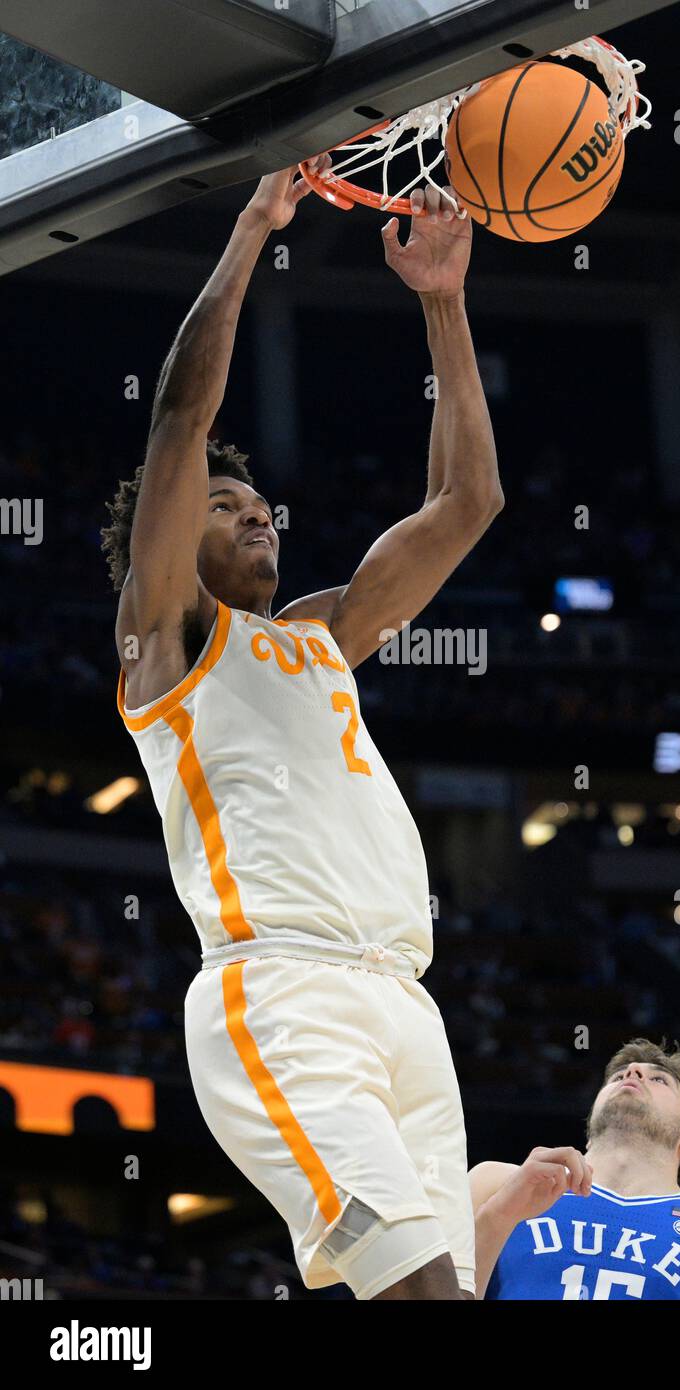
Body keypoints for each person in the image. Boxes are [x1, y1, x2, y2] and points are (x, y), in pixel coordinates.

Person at [101, 162, 503, 1301]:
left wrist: (441, 299)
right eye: (225, 508)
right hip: (284, 996)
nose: (255, 511)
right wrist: (252, 225)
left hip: (404, 1005)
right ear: (173, 547)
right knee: (423, 1293)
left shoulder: (322, 635)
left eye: (262, 503)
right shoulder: (165, 648)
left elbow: (466, 503)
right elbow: (183, 417)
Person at [471, 1037, 680, 1299]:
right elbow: (429, 1291)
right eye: (617, 1077)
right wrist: (498, 1216)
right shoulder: (497, 1182)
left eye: (659, 1079)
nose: (632, 1071)